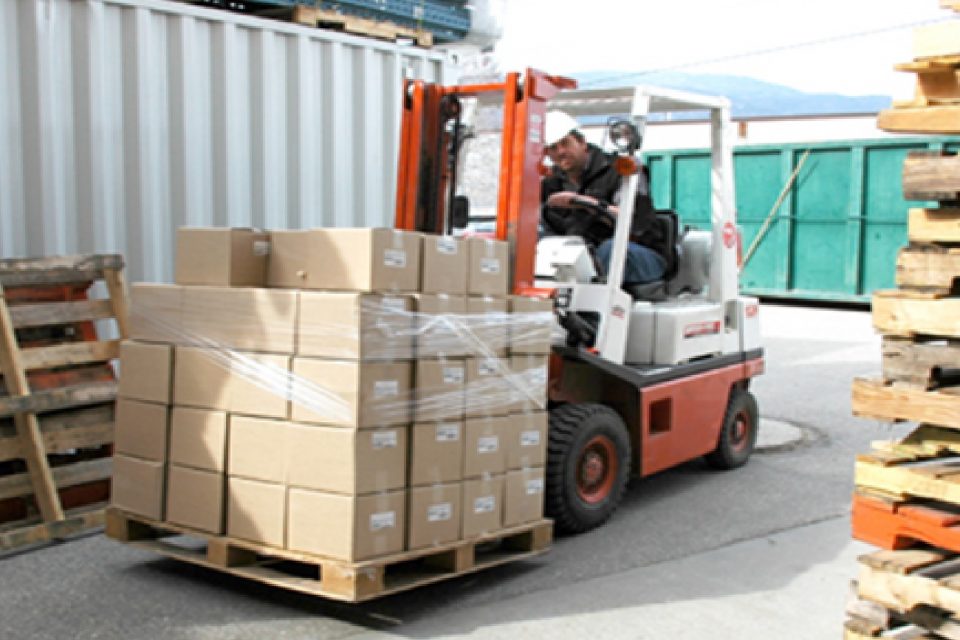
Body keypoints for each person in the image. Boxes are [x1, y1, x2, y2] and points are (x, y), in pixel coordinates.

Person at [540, 110, 667, 285]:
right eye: (553, 147)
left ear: (582, 142)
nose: (560, 152)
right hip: (582, 256)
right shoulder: (551, 183)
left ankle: (596, 307)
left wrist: (585, 203)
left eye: (565, 143)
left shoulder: (621, 171)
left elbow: (634, 221)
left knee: (610, 250)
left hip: (639, 252)